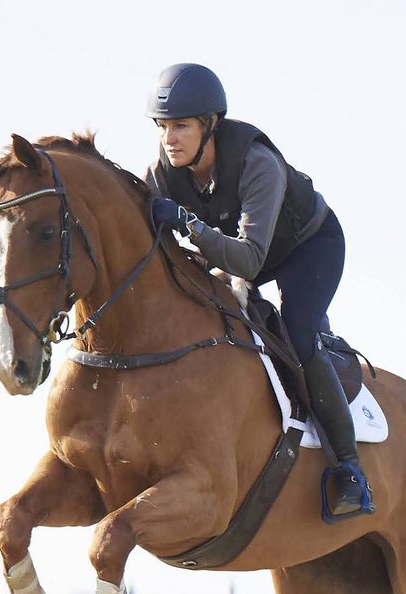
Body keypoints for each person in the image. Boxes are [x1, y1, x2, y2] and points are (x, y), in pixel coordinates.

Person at [144, 63, 374, 520]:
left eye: (182, 126)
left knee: (298, 333)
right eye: (164, 127)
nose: (171, 138)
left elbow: (249, 260)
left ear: (211, 125)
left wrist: (189, 224)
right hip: (241, 250)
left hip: (308, 247)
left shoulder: (257, 164)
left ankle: (350, 469)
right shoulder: (163, 171)